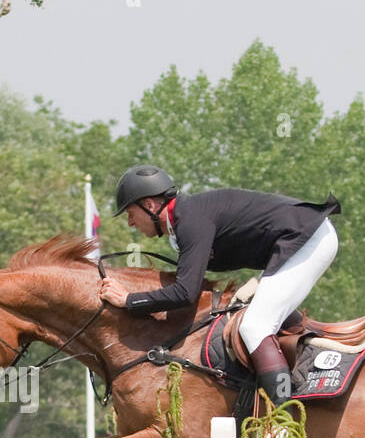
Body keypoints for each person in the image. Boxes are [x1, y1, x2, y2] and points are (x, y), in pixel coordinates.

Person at [99, 164, 340, 407]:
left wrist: (129, 300)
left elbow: (185, 293)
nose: (130, 222)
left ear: (149, 205)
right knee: (255, 316)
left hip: (309, 239)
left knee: (254, 327)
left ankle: (283, 419)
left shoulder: (190, 221)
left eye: (130, 213)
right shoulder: (184, 219)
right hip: (298, 241)